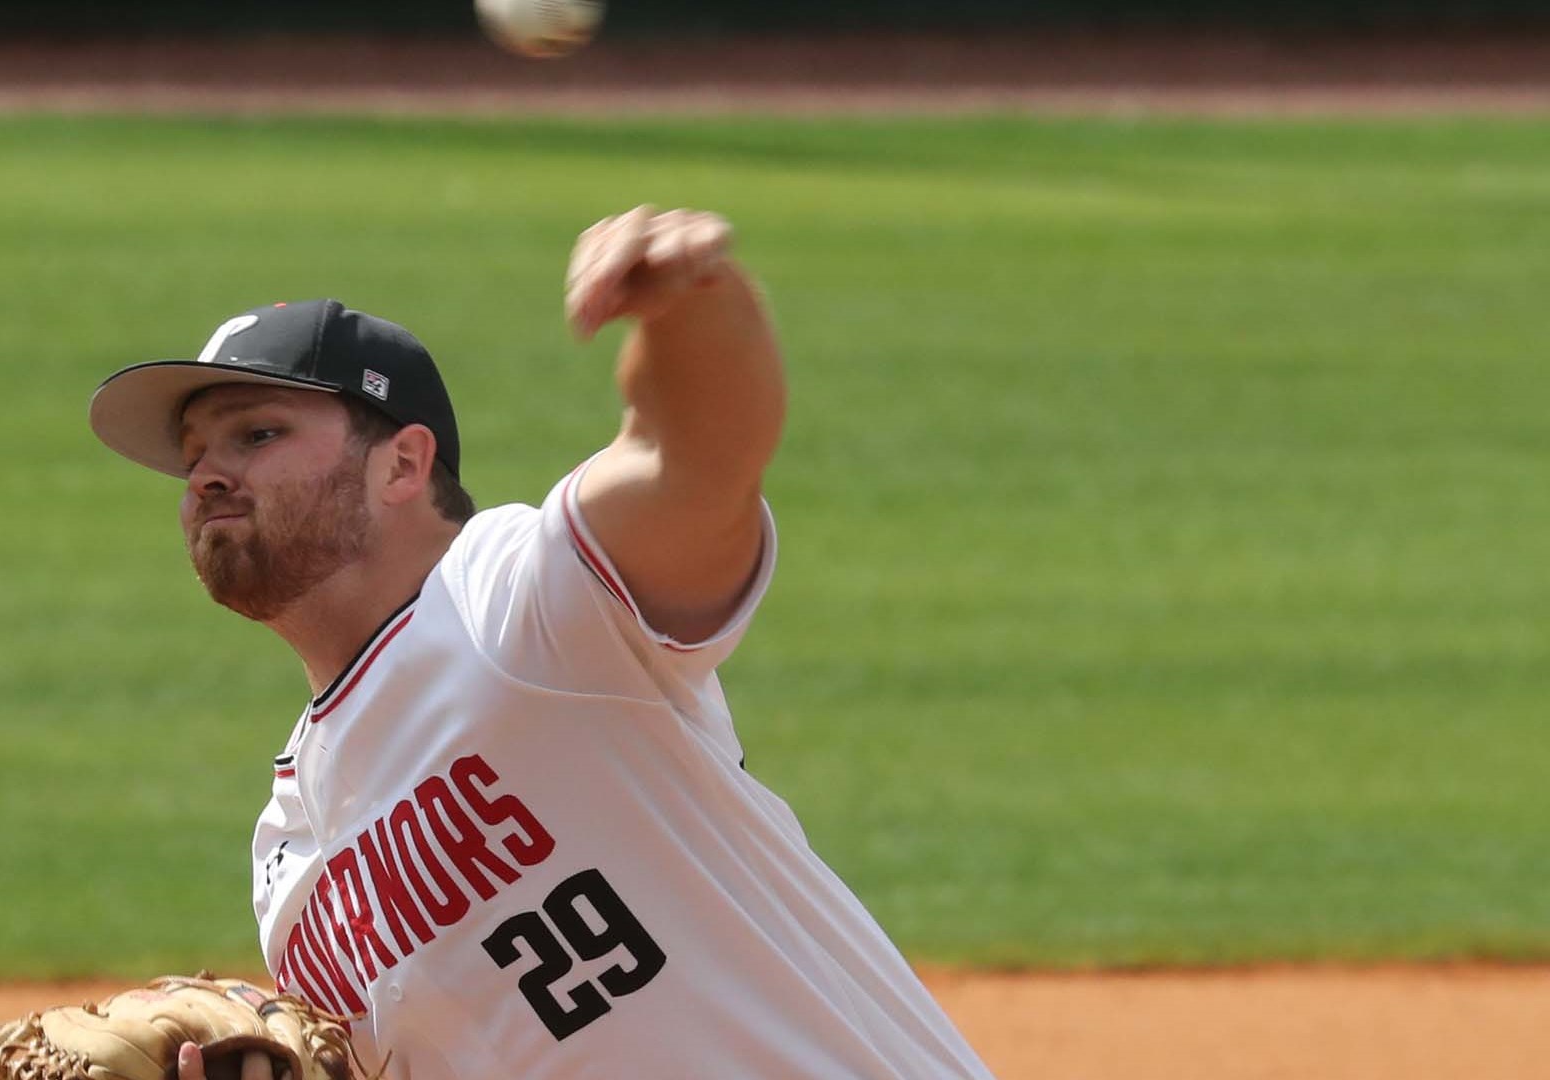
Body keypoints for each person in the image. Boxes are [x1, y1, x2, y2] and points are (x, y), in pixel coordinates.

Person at [87, 206, 995, 1079]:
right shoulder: (286, 857)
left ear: (402, 462)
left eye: (257, 433)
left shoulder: (517, 603)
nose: (208, 475)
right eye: (194, 454)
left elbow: (696, 458)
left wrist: (694, 308)